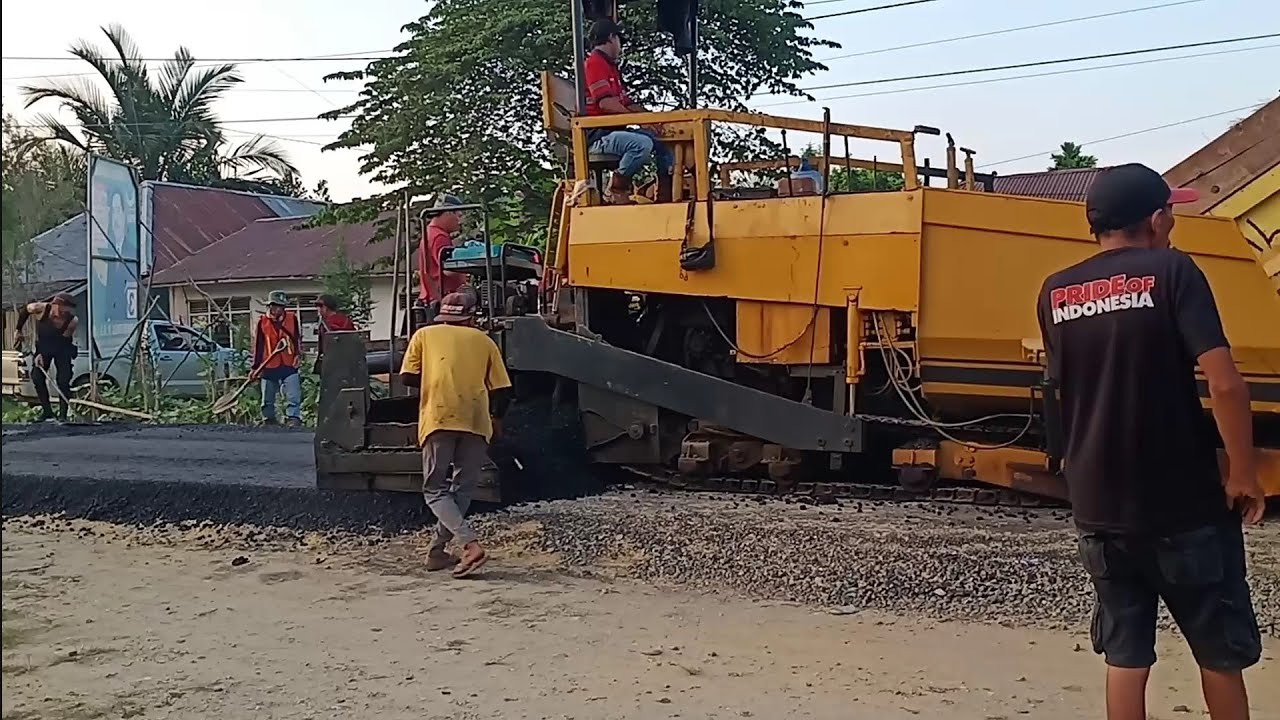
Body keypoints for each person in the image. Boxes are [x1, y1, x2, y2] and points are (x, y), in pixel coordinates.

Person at [1036, 163, 1265, 720]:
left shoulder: (1055, 291)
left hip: (1099, 506)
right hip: (1182, 503)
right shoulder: (1174, 272)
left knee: (1126, 655)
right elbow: (1226, 382)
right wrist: (1242, 472)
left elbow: (1065, 389)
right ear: (1157, 218)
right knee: (1217, 651)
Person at [399, 290, 513, 577]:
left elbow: (407, 377)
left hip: (438, 416)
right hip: (476, 420)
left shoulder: (424, 335)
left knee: (435, 490)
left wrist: (437, 375)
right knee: (461, 489)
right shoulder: (484, 341)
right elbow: (503, 390)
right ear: (471, 317)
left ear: (442, 313)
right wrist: (497, 419)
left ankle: (470, 544)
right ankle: (436, 553)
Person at [584, 18, 675, 205]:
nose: (620, 45)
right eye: (619, 40)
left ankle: (666, 194)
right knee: (641, 144)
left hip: (614, 133)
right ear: (611, 38)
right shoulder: (594, 63)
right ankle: (615, 189)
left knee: (663, 139)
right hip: (599, 136)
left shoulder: (610, 68)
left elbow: (628, 103)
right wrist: (638, 120)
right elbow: (605, 103)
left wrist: (652, 120)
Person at [14, 292, 78, 422]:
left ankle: (63, 415)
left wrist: (41, 354)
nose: (61, 314)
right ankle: (47, 412)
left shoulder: (72, 321)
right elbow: (25, 311)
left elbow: (60, 341)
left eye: (65, 312)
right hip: (43, 345)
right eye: (60, 310)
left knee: (63, 380)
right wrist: (18, 330)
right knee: (37, 377)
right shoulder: (40, 308)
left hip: (62, 347)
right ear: (54, 305)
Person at [251, 290, 303, 427]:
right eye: (275, 306)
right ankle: (269, 419)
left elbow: (296, 338)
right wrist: (255, 367)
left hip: (289, 361)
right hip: (269, 363)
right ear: (269, 306)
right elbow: (258, 345)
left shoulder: (292, 318)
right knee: (267, 397)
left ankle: (293, 417)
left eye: (280, 306)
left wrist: (298, 354)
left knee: (293, 394)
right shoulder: (262, 322)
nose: (277, 309)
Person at [417, 194, 468, 315]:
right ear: (448, 213)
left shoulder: (430, 233)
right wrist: (470, 267)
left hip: (433, 300)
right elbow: (448, 269)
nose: (459, 221)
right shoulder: (439, 237)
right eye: (458, 215)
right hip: (443, 300)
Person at [313, 294, 357, 376]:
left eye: (320, 306)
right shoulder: (346, 320)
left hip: (331, 363)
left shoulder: (325, 323)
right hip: (349, 362)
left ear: (327, 307)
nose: (318, 309)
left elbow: (324, 347)